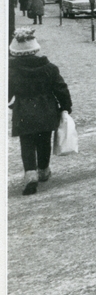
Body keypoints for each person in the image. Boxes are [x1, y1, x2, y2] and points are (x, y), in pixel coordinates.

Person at [8, 28, 72, 195]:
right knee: (44, 141)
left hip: (23, 111)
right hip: (46, 109)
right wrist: (66, 106)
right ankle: (43, 170)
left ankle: (30, 175)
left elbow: (6, 92)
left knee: (27, 143)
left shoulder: (10, 70)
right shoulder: (49, 68)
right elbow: (61, 88)